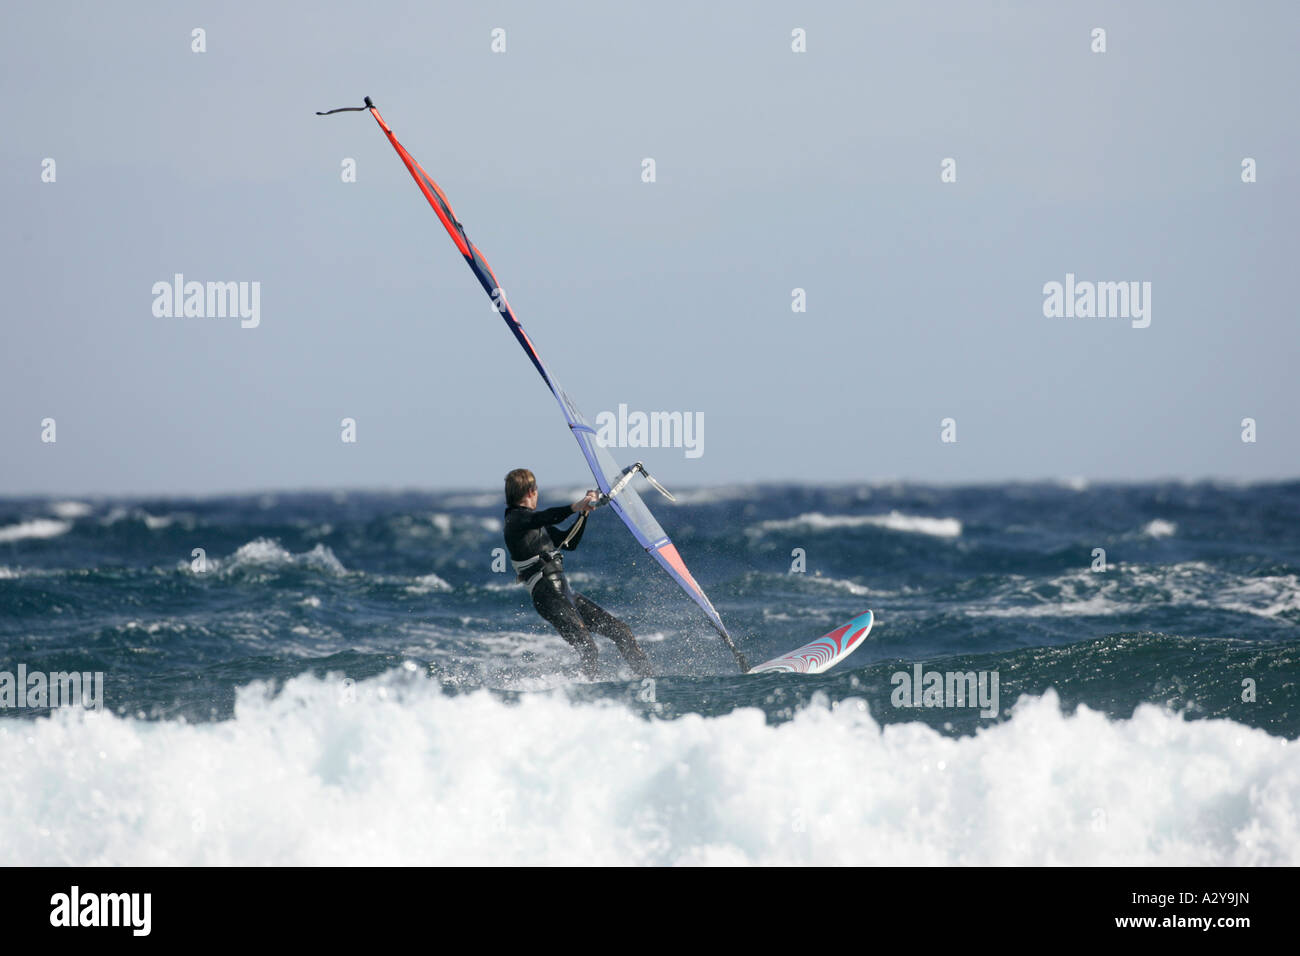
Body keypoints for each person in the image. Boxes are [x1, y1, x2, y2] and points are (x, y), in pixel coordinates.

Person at [502, 468, 653, 679]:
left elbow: (569, 542)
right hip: (547, 596)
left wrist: (584, 513)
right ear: (530, 491)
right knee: (588, 647)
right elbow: (545, 517)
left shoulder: (536, 524)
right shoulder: (515, 521)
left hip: (565, 594)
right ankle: (583, 696)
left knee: (621, 632)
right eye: (536, 490)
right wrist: (575, 506)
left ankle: (649, 679)